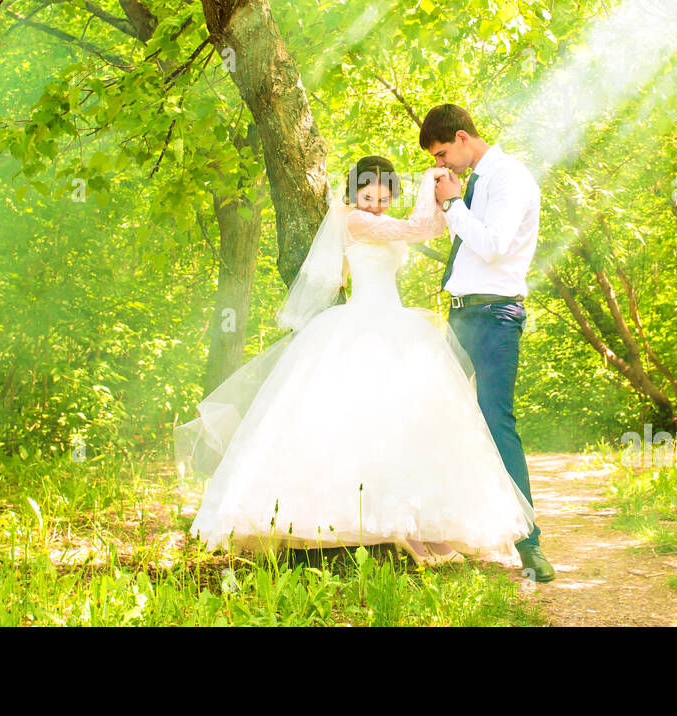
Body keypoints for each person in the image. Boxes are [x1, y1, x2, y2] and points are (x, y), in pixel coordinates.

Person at [174, 155, 536, 566]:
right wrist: (425, 185)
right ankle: (400, 531)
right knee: (362, 422)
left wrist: (440, 194)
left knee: (409, 425)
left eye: (383, 197)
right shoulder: (353, 221)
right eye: (368, 195)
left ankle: (421, 528)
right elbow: (417, 228)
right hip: (363, 322)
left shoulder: (380, 221)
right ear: (353, 193)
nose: (376, 204)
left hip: (395, 322)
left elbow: (431, 227)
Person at [421, 103, 555, 583]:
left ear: (462, 137)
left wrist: (454, 204)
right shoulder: (473, 181)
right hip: (460, 315)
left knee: (497, 423)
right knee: (438, 417)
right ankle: (443, 534)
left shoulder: (508, 178)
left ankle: (530, 547)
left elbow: (494, 245)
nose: (441, 165)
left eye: (441, 154)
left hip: (495, 316)